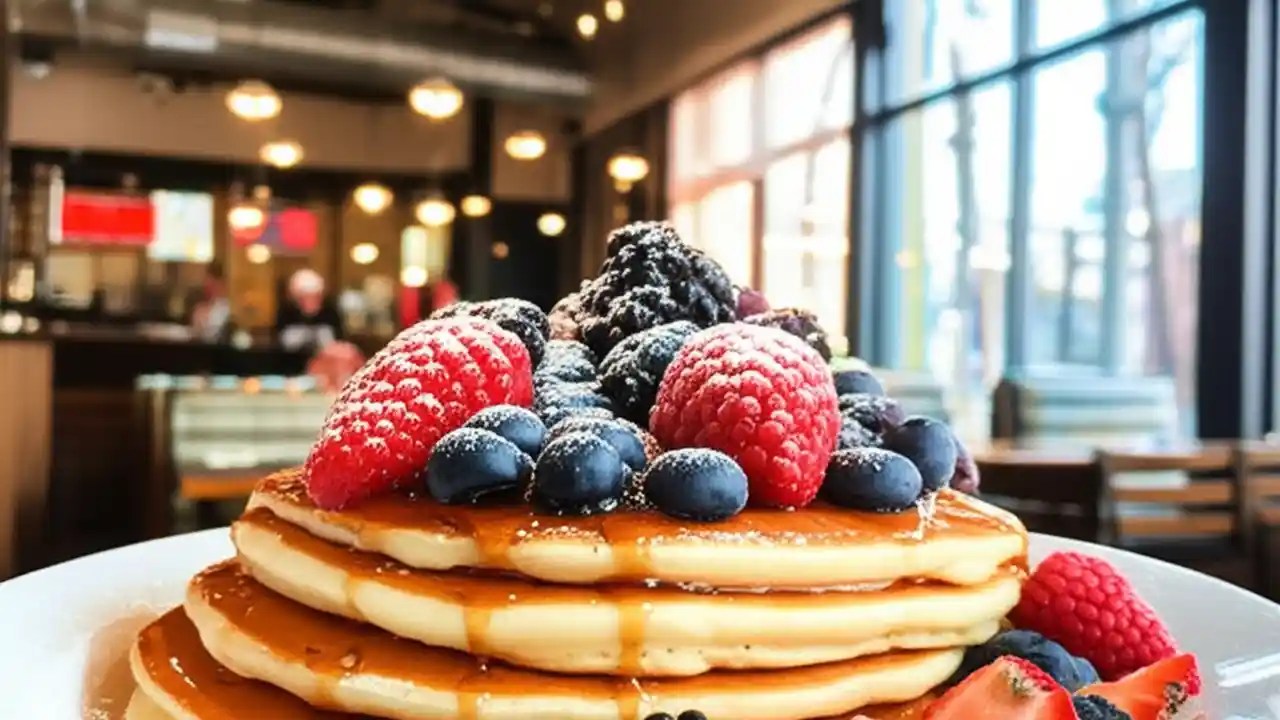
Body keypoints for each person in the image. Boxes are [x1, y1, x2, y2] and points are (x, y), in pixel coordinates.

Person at [275, 269, 344, 355]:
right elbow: (282, 343)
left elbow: (339, 342)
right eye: (306, 297)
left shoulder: (331, 313)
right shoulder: (286, 313)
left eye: (316, 297)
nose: (311, 301)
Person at [190, 264, 232, 342]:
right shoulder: (200, 309)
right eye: (206, 286)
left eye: (211, 285)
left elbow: (213, 335)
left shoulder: (227, 308)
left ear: (220, 284)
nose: (207, 290)